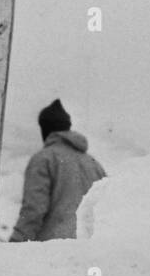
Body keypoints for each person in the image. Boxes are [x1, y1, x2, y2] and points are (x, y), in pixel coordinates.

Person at [10, 99, 105, 242]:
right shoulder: (94, 164)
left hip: (53, 251)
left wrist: (15, 245)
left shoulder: (44, 159)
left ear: (45, 129)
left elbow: (34, 210)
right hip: (87, 251)